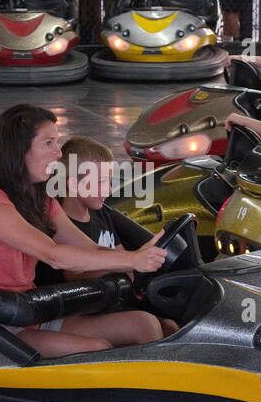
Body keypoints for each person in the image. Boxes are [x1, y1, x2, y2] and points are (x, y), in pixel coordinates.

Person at [0, 104, 168, 358]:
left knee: (144, 324)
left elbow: (89, 248)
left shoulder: (40, 199)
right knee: (96, 349)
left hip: (31, 311)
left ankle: (156, 395)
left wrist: (142, 255)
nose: (58, 153)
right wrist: (132, 260)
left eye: (58, 142)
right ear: (19, 150)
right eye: (49, 143)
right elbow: (55, 255)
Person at [57, 136, 180, 336]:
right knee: (147, 326)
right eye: (99, 182)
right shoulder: (62, 225)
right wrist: (129, 261)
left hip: (116, 298)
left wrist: (141, 259)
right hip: (84, 310)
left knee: (171, 326)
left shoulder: (101, 214)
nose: (107, 189)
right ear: (72, 184)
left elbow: (123, 259)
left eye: (108, 181)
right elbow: (74, 279)